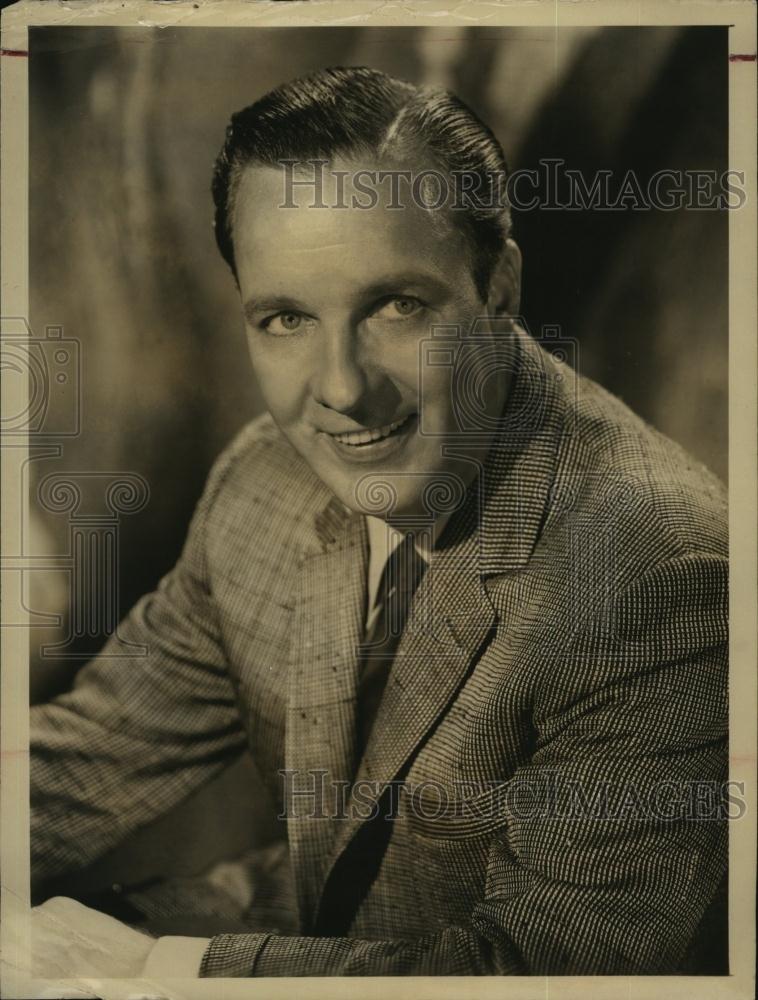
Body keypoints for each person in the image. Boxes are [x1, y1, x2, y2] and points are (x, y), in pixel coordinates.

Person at [29, 66, 728, 978]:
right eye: (284, 318)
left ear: (502, 291)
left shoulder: (657, 573)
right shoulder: (265, 481)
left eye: (398, 306)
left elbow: (541, 974)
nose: (343, 391)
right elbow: (88, 763)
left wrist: (156, 973)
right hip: (316, 930)